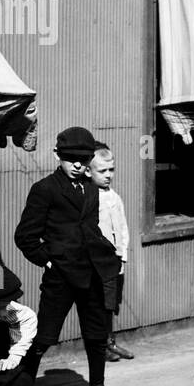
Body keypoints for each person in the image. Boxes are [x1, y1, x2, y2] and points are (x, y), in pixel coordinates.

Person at [13, 125, 132, 386]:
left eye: (84, 158)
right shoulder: (45, 190)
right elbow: (25, 236)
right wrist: (49, 260)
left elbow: (90, 228)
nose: (78, 164)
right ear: (57, 155)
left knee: (96, 336)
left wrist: (107, 254)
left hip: (93, 273)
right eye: (70, 158)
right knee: (42, 338)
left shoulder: (92, 189)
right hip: (61, 277)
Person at [89, 142, 135, 362]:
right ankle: (100, 346)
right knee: (96, 305)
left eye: (111, 170)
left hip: (114, 260)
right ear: (89, 171)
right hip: (97, 261)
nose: (108, 175)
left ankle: (110, 342)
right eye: (103, 171)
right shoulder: (89, 197)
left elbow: (123, 228)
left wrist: (122, 255)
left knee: (110, 304)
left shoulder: (114, 196)